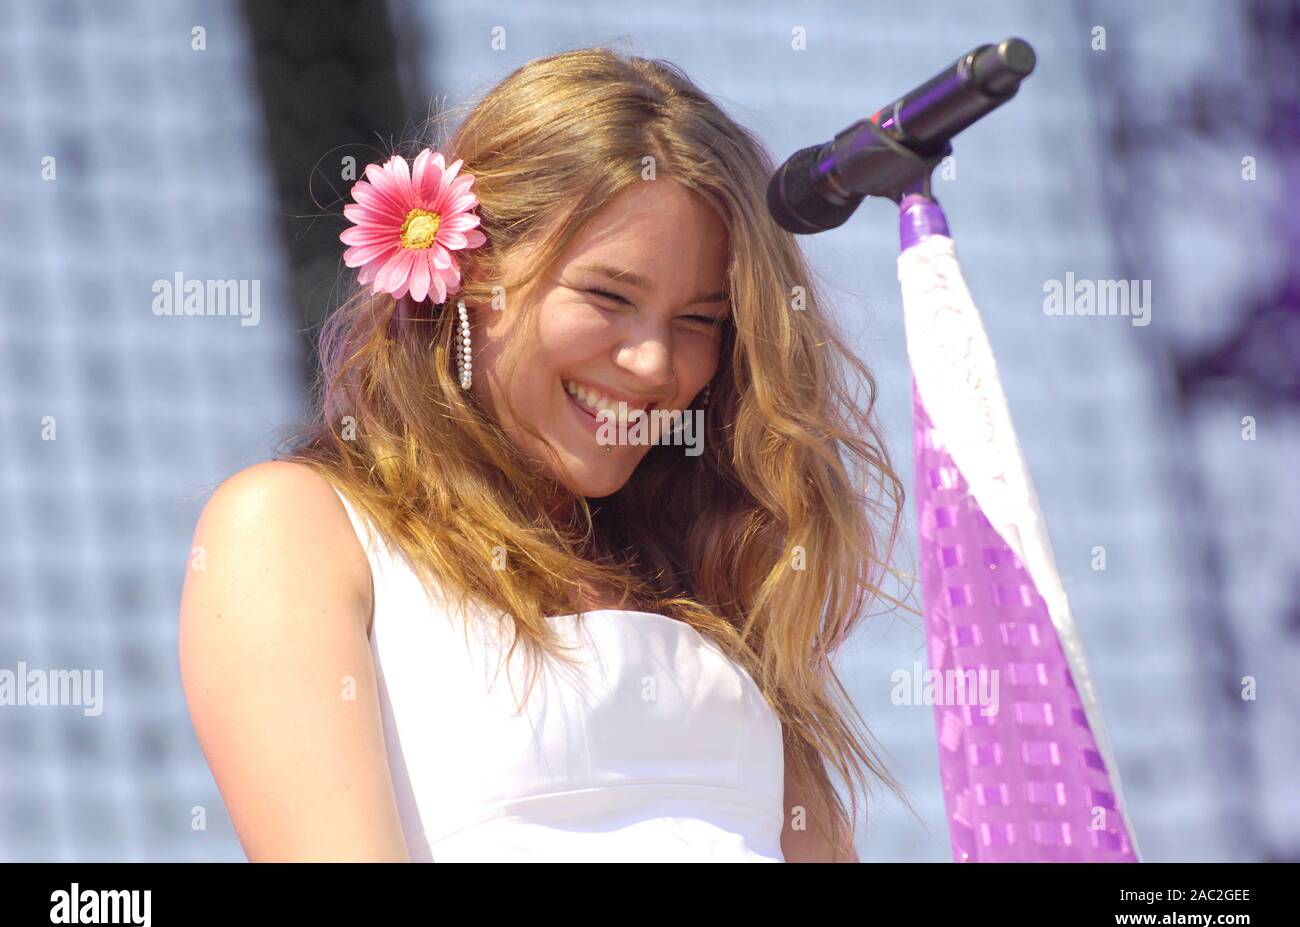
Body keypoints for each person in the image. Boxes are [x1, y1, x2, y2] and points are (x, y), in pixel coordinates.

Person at [179, 46, 913, 862]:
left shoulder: (709, 582)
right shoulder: (297, 528)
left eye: (701, 320)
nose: (656, 364)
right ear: (470, 274)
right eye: (609, 296)